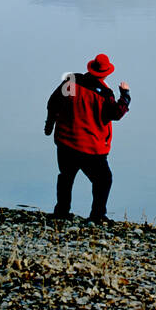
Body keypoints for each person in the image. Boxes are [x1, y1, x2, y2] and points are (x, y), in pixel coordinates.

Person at [44, 54, 130, 223]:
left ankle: (61, 212)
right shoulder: (105, 94)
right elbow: (116, 113)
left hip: (65, 141)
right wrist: (125, 95)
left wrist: (50, 124)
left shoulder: (72, 81)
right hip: (90, 147)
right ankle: (97, 215)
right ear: (106, 73)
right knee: (103, 180)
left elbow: (53, 102)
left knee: (66, 176)